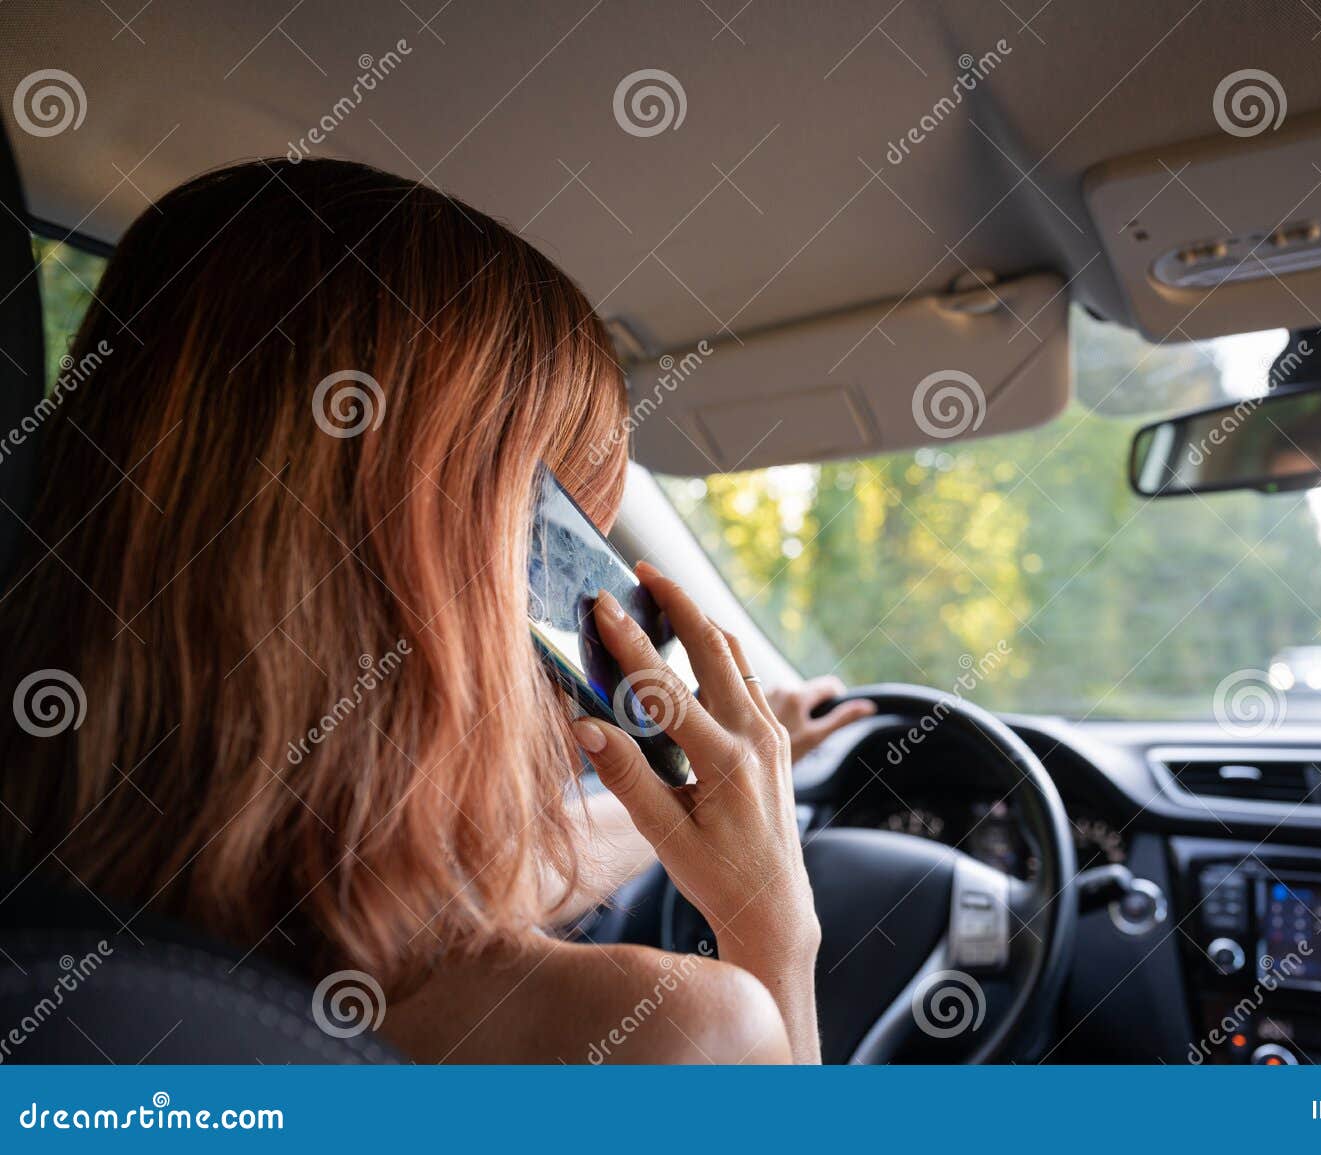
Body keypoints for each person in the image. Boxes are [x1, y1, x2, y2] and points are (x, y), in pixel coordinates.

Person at [0, 158, 867, 1064]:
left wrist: (686, 811)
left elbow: (423, 882)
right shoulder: (666, 1036)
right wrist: (774, 934)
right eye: (560, 559)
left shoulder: (89, 888)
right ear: (452, 583)